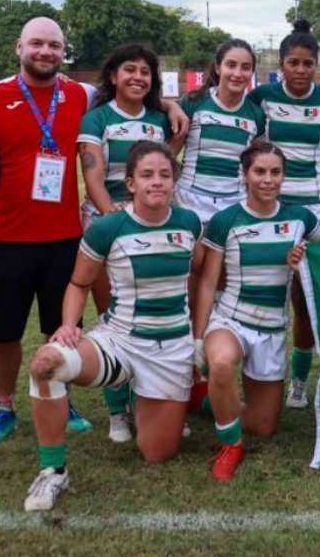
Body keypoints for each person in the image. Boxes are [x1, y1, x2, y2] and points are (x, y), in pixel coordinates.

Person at [0, 17, 189, 447]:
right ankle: (3, 406)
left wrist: (172, 105)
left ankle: (69, 398)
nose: (45, 52)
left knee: (73, 324)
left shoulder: (79, 95)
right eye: (37, 44)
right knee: (4, 332)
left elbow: (137, 93)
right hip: (10, 233)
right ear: (19, 46)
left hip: (64, 235)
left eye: (53, 45)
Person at [23, 141, 202, 511]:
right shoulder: (107, 228)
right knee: (46, 365)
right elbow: (78, 283)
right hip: (118, 341)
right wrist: (68, 326)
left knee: (157, 453)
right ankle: (53, 471)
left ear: (174, 182)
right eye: (147, 175)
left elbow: (200, 274)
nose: (157, 182)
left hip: (171, 351)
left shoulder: (190, 224)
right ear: (131, 183)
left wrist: (201, 337)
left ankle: (139, 396)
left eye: (165, 175)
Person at [194, 141, 320, 480]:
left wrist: (304, 261)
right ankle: (230, 445)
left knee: (264, 427)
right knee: (220, 362)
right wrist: (197, 336)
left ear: (284, 176)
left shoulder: (301, 219)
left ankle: (208, 402)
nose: (268, 179)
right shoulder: (226, 220)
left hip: (273, 327)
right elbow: (207, 282)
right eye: (259, 171)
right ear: (245, 174)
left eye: (275, 172)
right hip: (231, 320)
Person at [76, 43, 181, 444]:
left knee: (153, 311)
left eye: (145, 72)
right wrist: (118, 221)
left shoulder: (159, 119)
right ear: (113, 76)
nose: (138, 77)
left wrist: (172, 107)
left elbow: (165, 169)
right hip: (109, 224)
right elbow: (94, 179)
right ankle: (118, 411)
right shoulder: (97, 118)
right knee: (112, 316)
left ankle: (148, 401)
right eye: (129, 70)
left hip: (154, 226)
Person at [246, 21, 320, 410]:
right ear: (281, 64)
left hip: (318, 207)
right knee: (266, 289)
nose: (301, 70)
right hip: (270, 207)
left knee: (307, 297)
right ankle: (258, 374)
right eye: (293, 63)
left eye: (308, 64)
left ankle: (301, 381)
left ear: (316, 66)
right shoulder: (263, 97)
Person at [176, 38, 266, 225]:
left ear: (252, 72)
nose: (238, 73)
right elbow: (169, 153)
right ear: (217, 67)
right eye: (231, 65)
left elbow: (253, 163)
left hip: (234, 206)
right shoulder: (194, 102)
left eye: (245, 67)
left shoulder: (256, 114)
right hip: (188, 203)